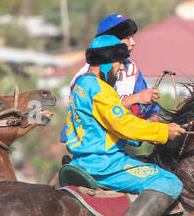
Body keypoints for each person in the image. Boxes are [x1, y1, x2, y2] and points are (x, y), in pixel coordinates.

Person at [63, 35, 186, 216]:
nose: (121, 68)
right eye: (119, 63)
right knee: (170, 181)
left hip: (81, 159)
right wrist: (163, 132)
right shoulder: (101, 90)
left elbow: (107, 127)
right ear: (107, 61)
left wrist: (143, 133)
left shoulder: (81, 84)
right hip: (105, 165)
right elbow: (124, 124)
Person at [61, 13, 161, 148]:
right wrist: (135, 99)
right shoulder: (85, 78)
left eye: (133, 37)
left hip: (120, 144)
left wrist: (154, 120)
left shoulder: (132, 70)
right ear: (109, 41)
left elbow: (149, 107)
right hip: (92, 148)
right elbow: (102, 117)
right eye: (127, 38)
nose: (133, 42)